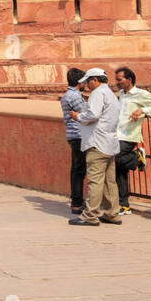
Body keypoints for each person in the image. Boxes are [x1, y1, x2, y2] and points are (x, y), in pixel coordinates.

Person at [68, 68, 122, 226]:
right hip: (109, 142)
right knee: (109, 182)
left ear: (95, 80)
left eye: (88, 81)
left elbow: (93, 114)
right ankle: (112, 213)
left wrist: (78, 117)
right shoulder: (111, 94)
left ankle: (91, 215)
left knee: (95, 181)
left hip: (97, 142)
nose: (86, 84)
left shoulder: (98, 93)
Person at [114, 67, 151, 214]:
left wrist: (143, 110)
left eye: (119, 79)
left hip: (130, 136)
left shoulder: (142, 94)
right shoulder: (121, 94)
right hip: (118, 134)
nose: (116, 82)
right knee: (119, 171)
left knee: (115, 159)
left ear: (129, 79)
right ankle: (124, 205)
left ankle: (136, 157)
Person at [60, 68, 88, 214]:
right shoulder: (75, 96)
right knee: (79, 170)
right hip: (78, 135)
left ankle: (76, 200)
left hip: (72, 135)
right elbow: (86, 114)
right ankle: (77, 203)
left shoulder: (67, 95)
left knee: (76, 169)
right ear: (80, 81)